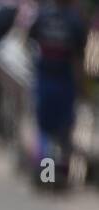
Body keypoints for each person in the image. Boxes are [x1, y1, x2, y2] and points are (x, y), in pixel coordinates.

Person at [27, 0, 89, 172]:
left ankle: (48, 172)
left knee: (46, 128)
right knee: (62, 128)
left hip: (46, 79)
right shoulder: (75, 21)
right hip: (63, 81)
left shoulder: (43, 15)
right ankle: (55, 172)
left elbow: (30, 42)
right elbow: (78, 59)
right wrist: (81, 86)